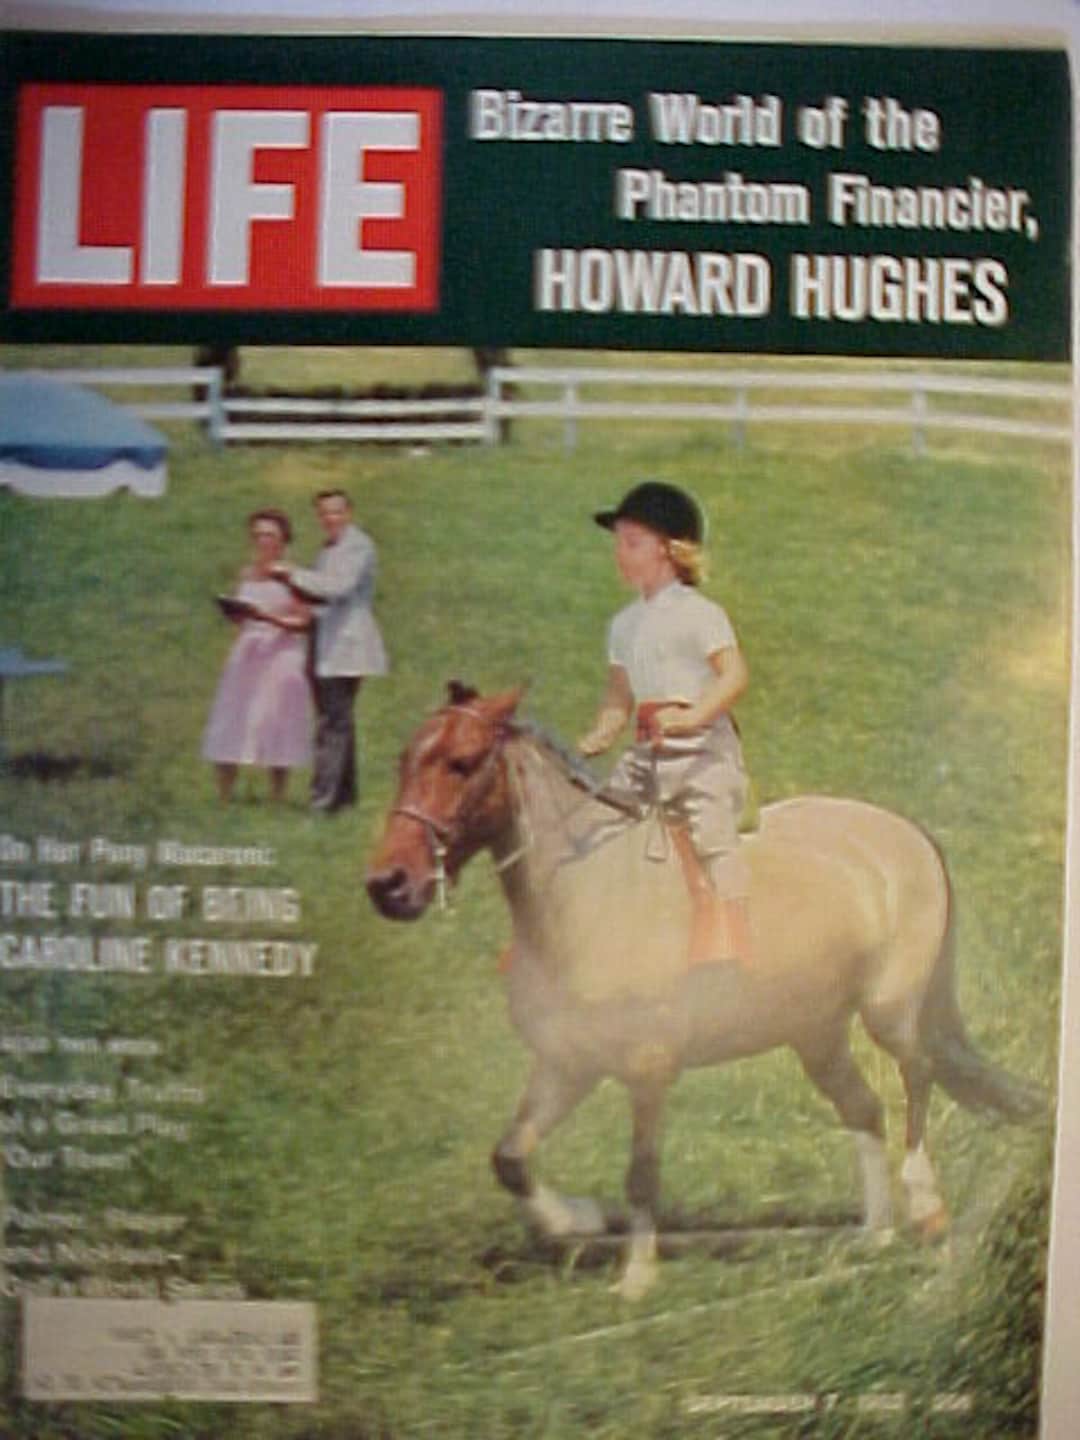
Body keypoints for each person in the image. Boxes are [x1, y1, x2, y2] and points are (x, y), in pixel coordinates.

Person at [578, 480, 752, 961]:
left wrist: (694, 715)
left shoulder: (701, 614)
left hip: (702, 750)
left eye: (632, 543)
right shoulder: (624, 624)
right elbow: (620, 694)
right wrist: (602, 732)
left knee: (711, 833)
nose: (620, 553)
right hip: (648, 750)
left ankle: (734, 948)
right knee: (596, 824)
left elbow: (734, 675)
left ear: (670, 551)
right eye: (618, 542)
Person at [273, 489, 388, 812]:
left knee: (332, 721)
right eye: (324, 514)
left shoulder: (358, 545)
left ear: (349, 513)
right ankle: (345, 797)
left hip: (346, 644)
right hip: (326, 637)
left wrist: (292, 573)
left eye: (336, 512)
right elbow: (319, 593)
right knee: (339, 720)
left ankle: (323, 800)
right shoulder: (329, 549)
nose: (330, 519)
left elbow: (338, 587)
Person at [202, 508, 313, 803]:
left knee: (277, 718)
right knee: (234, 715)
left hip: (281, 652)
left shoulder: (293, 577)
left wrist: (267, 618)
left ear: (283, 539)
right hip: (248, 652)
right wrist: (237, 614)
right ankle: (224, 795)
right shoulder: (246, 573)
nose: (263, 541)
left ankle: (278, 796)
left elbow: (304, 622)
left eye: (270, 535)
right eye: (258, 535)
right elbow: (245, 616)